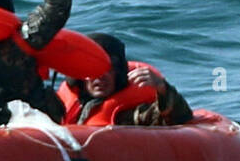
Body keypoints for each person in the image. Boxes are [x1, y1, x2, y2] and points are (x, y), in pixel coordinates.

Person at [61, 33, 193, 126]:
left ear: (118, 74)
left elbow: (179, 117)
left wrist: (162, 88)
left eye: (108, 69)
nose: (100, 77)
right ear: (80, 76)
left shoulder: (131, 113)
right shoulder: (61, 106)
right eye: (92, 70)